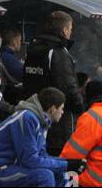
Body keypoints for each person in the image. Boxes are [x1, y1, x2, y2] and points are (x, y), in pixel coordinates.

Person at [0, 87, 71, 187]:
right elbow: (30, 160)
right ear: (53, 108)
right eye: (62, 108)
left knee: (60, 172)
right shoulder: (27, 118)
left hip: (8, 167)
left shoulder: (42, 123)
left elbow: (42, 156)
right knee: (44, 176)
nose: (63, 112)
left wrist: (66, 163)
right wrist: (67, 164)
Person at [22, 10, 84, 153]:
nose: (70, 33)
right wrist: (80, 107)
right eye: (70, 29)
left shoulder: (32, 49)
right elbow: (68, 86)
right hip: (58, 121)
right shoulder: (57, 52)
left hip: (34, 113)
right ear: (64, 30)